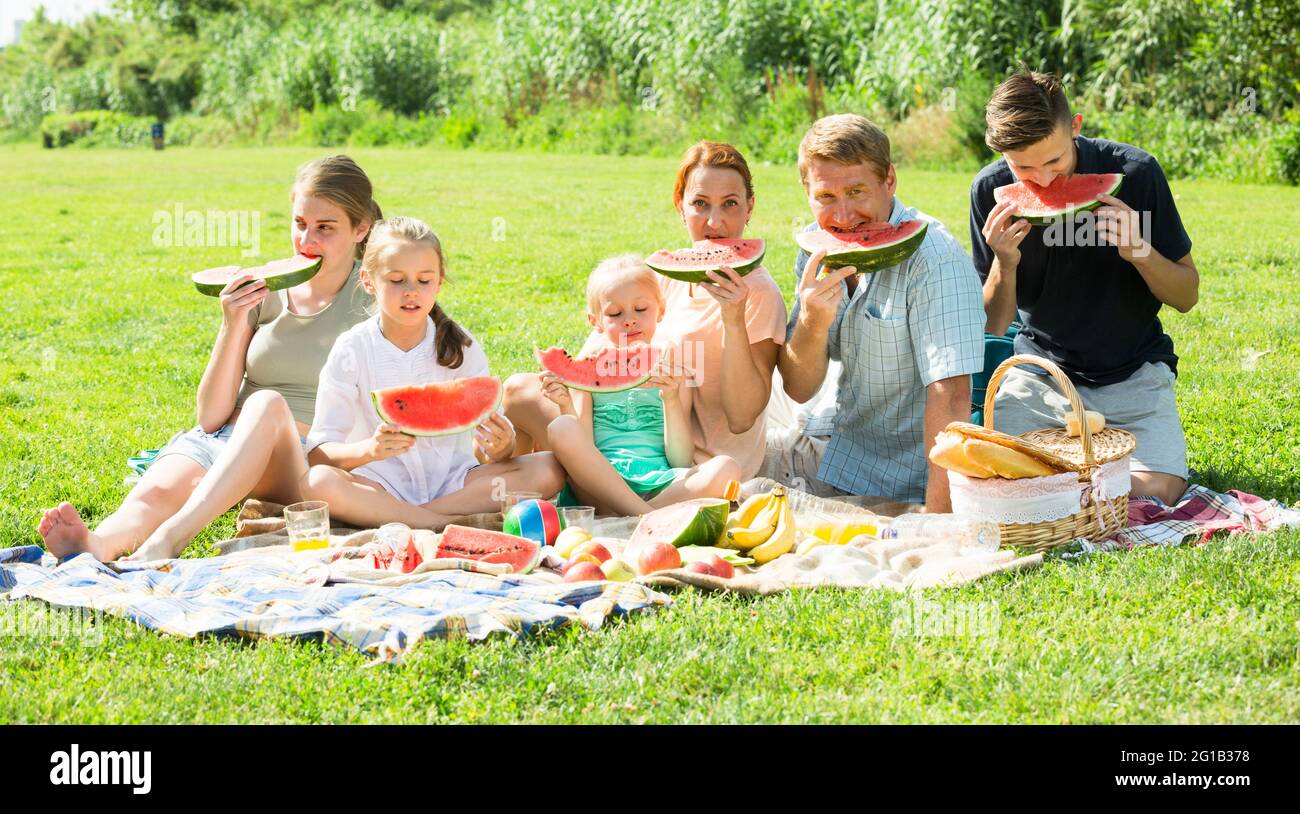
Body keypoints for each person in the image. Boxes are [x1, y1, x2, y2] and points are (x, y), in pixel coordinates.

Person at [38, 155, 381, 561]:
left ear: (361, 229)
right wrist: (232, 322)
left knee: (268, 404)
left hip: (302, 458)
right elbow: (211, 416)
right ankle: (96, 545)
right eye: (300, 224)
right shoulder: (262, 291)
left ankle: (171, 539)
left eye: (325, 228)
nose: (307, 241)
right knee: (159, 491)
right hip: (226, 438)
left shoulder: (377, 298)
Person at [971, 71, 1198, 505]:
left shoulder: (1136, 174)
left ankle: (1067, 482)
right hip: (1040, 373)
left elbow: (1187, 297)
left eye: (1054, 162)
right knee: (1000, 482)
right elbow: (994, 324)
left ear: (1075, 126)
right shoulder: (989, 190)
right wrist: (1004, 262)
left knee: (1159, 491)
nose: (1042, 181)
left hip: (1134, 370)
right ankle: (1085, 480)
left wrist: (1139, 251)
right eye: (1022, 167)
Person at [505, 140, 787, 483]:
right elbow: (597, 356)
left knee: (555, 443)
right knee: (518, 391)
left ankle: (581, 485)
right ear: (680, 207)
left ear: (749, 208)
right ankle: (517, 500)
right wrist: (570, 379)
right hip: (631, 436)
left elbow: (742, 418)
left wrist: (732, 318)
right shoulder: (665, 278)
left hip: (698, 463)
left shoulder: (759, 294)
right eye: (700, 203)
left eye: (730, 204)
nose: (715, 222)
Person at [776, 114, 986, 511]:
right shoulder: (816, 249)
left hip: (906, 481)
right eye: (825, 197)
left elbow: (953, 393)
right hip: (837, 448)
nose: (842, 216)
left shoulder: (933, 258)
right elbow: (798, 388)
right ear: (807, 190)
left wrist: (939, 523)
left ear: (889, 180)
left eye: (856, 191)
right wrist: (812, 322)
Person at [299, 217, 564, 528]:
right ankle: (439, 522)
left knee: (549, 468)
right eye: (397, 280)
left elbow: (482, 448)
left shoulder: (460, 346)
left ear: (439, 281)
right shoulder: (352, 349)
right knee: (317, 482)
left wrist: (501, 447)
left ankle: (415, 518)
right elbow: (319, 454)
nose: (412, 291)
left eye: (424, 281)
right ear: (369, 281)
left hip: (455, 484)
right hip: (380, 485)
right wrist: (369, 450)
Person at [543, 255, 741, 515]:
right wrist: (565, 404)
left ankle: (635, 516)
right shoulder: (586, 371)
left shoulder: (673, 370)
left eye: (641, 309)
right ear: (596, 322)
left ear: (661, 310)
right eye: (615, 313)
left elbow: (680, 459)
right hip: (600, 486)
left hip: (660, 484)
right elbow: (581, 448)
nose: (629, 320)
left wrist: (670, 399)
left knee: (727, 468)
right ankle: (648, 516)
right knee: (562, 426)